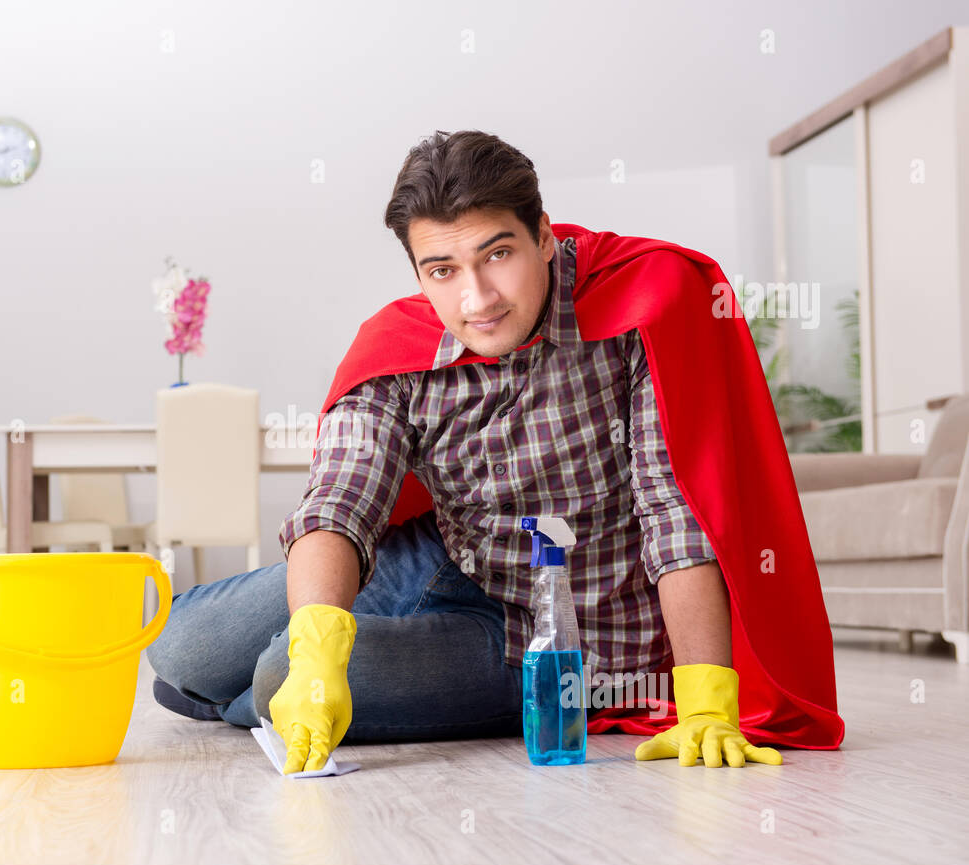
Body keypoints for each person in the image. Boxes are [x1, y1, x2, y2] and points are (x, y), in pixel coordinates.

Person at [147, 130, 836, 773]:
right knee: (180, 646)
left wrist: (706, 698)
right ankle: (244, 685)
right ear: (418, 271)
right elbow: (339, 500)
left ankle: (246, 696)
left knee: (274, 675)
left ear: (542, 236)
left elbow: (675, 511)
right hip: (441, 555)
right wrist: (319, 649)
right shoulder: (398, 351)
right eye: (442, 269)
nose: (476, 298)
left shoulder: (636, 313)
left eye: (497, 254)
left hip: (551, 633)